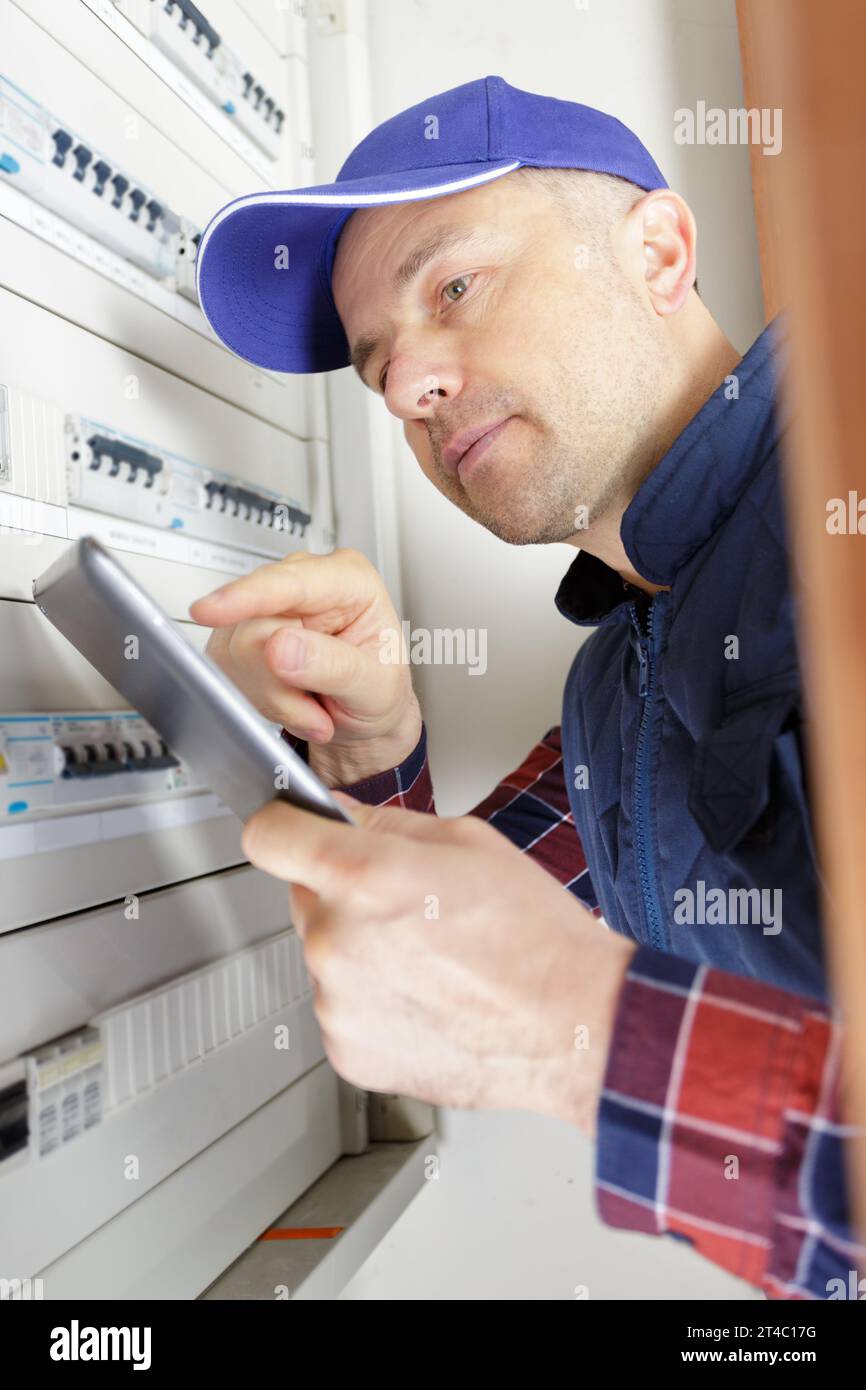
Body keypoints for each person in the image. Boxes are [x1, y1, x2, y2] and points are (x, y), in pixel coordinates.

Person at [190, 77, 863, 1298]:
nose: (403, 389)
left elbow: (532, 1005)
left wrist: (581, 1031)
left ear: (656, 250)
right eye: (375, 364)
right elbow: (436, 968)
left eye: (452, 287)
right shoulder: (615, 690)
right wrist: (374, 738)